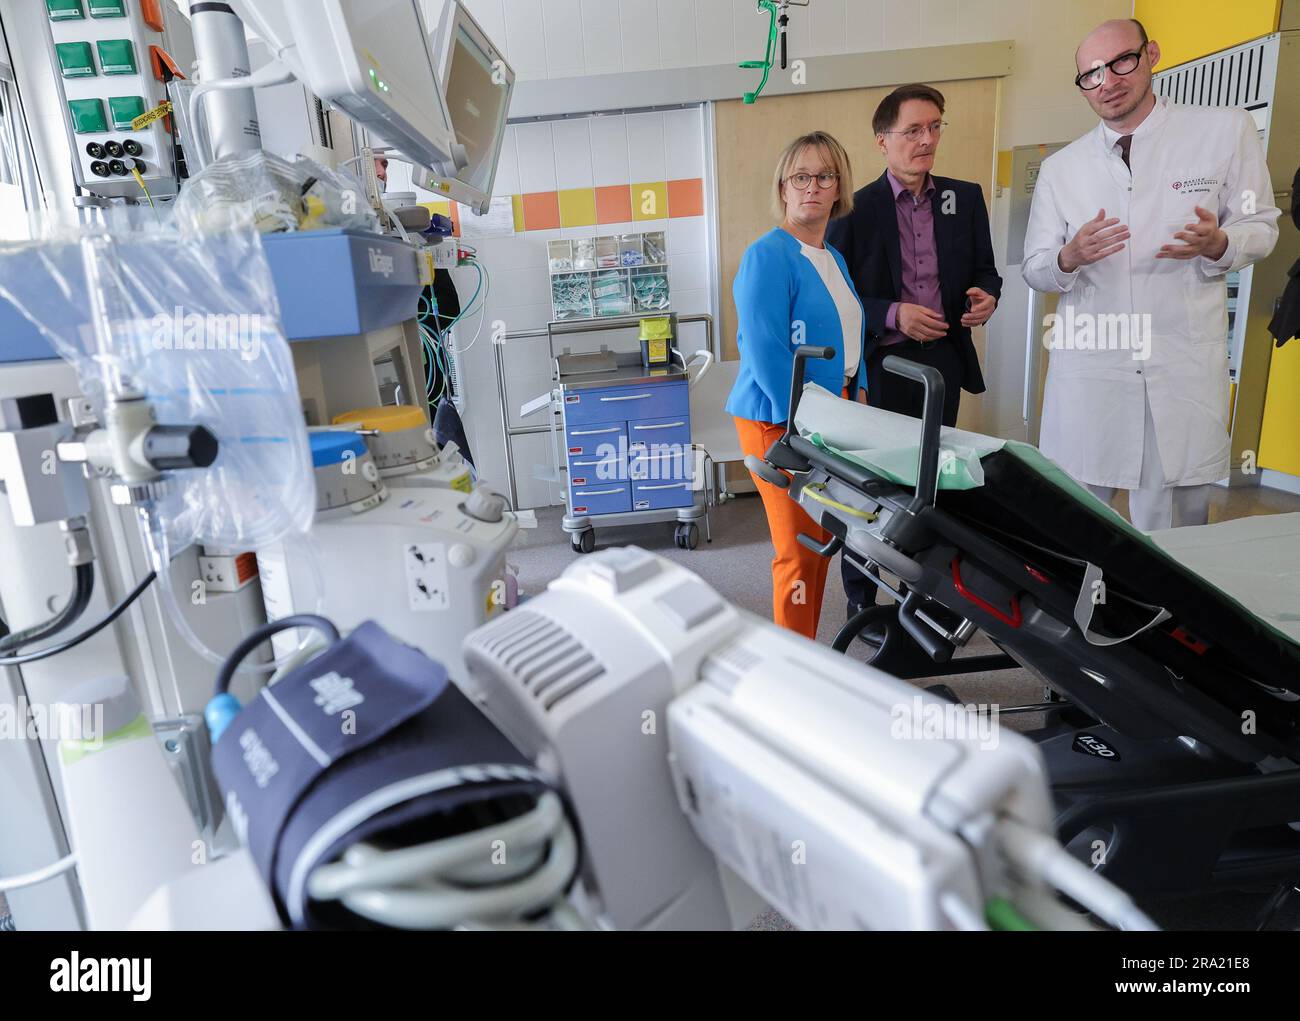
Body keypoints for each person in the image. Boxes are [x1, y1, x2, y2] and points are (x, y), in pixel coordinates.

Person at [1023, 18, 1279, 531]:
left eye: (1122, 61)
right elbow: (1035, 268)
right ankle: (1083, 610)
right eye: (1091, 74)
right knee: (1075, 515)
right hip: (1091, 366)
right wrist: (1067, 258)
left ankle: (1171, 614)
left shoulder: (1224, 131)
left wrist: (1221, 244)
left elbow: (1262, 224)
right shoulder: (1062, 168)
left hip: (1178, 361)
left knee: (1173, 523)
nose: (1108, 81)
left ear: (1151, 54)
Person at [827, 83, 1001, 619]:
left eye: (934, 127)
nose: (926, 140)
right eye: (913, 131)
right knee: (877, 485)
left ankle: (932, 598)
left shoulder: (963, 198)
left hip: (942, 363)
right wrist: (892, 312)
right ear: (883, 141)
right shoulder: (855, 208)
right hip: (881, 365)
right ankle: (863, 602)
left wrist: (985, 295)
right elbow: (841, 292)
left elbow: (986, 271)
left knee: (936, 484)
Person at [728, 131, 866, 640]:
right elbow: (764, 352)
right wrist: (803, 424)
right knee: (796, 550)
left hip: (831, 414)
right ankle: (793, 666)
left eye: (824, 176)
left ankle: (801, 649)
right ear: (784, 188)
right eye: (800, 177)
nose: (812, 186)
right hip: (779, 419)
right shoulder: (768, 255)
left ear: (838, 188)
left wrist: (861, 393)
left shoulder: (833, 257)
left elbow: (853, 333)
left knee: (821, 540)